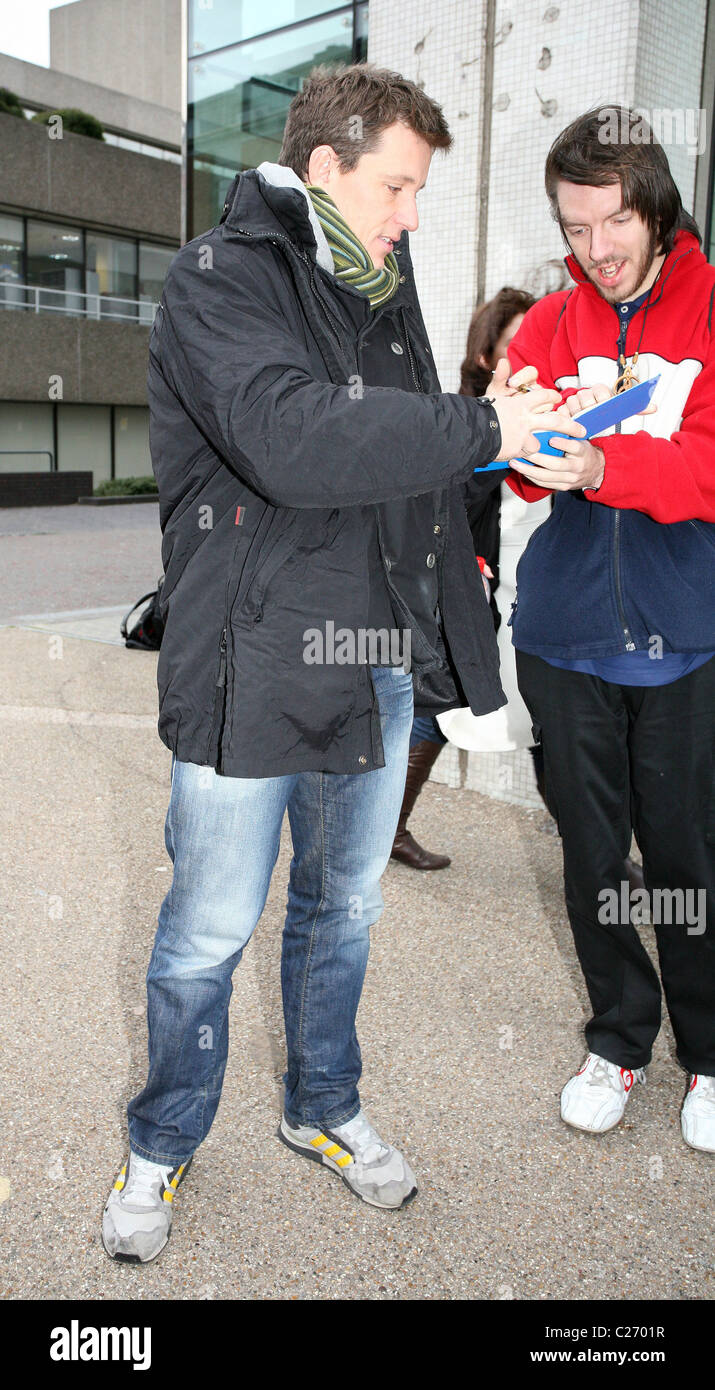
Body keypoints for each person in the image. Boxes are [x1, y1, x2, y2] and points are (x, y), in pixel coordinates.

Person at [101, 63, 574, 1262]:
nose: (414, 213)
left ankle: (322, 1107)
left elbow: (395, 458)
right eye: (399, 187)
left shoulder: (383, 273)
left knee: (342, 910)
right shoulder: (219, 278)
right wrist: (480, 425)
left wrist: (516, 441)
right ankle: (162, 1139)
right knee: (207, 932)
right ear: (325, 169)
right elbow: (293, 438)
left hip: (368, 656)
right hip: (243, 666)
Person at [505, 106, 715, 1150]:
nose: (595, 251)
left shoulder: (712, 307)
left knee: (687, 856)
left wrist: (603, 464)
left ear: (654, 202)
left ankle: (709, 1054)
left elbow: (710, 466)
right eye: (574, 227)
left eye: (612, 224)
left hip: (685, 638)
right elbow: (509, 462)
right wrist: (508, 432)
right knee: (591, 854)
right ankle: (619, 1040)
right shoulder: (548, 322)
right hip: (562, 636)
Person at [390, 287, 547, 872]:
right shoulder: (461, 417)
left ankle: (594, 849)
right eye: (516, 346)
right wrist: (500, 442)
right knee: (440, 705)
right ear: (488, 357)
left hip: (538, 581)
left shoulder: (558, 409)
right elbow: (449, 504)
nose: (532, 358)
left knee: (551, 709)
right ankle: (388, 827)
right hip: (477, 584)